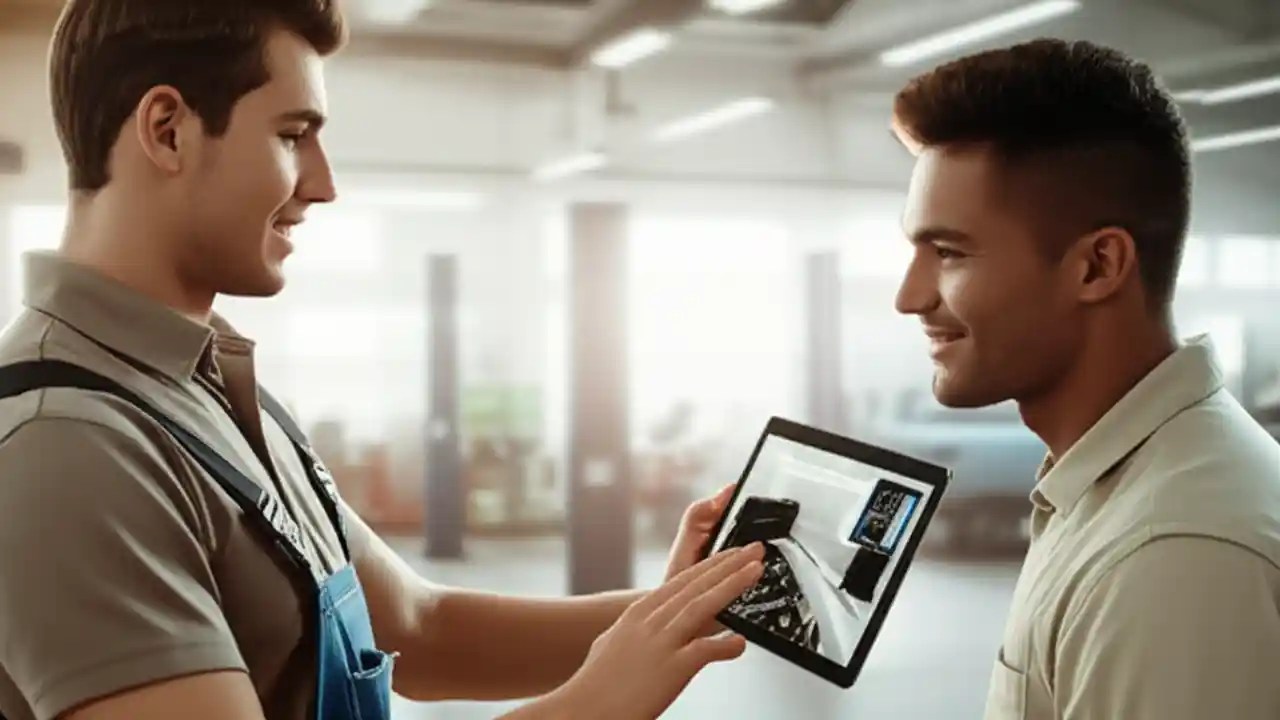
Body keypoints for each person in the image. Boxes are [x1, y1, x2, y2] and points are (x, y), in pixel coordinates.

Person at [0, 2, 766, 719]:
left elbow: (417, 626)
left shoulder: (209, 389)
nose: (323, 185)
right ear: (168, 130)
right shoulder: (64, 447)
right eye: (292, 134)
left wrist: (680, 603)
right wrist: (590, 706)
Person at [890, 38, 1280, 719]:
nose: (909, 295)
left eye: (949, 252)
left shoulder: (1171, 557)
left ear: (1098, 266)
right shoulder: (1114, 487)